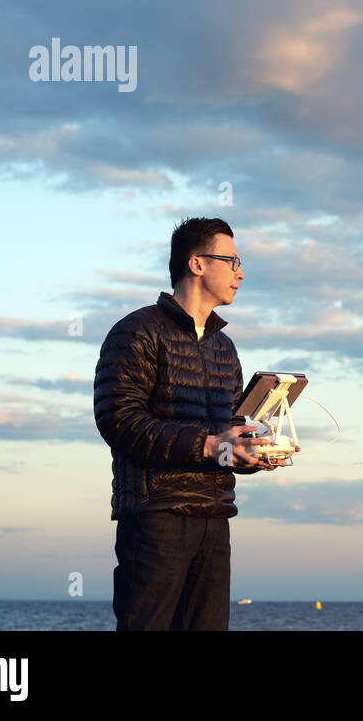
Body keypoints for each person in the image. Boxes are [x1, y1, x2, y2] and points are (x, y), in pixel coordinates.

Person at [93, 216, 295, 630]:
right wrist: (209, 444)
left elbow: (225, 437)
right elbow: (118, 419)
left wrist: (248, 454)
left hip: (215, 520)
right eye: (232, 260)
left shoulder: (225, 347)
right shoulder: (136, 331)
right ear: (197, 264)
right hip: (155, 519)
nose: (241, 272)